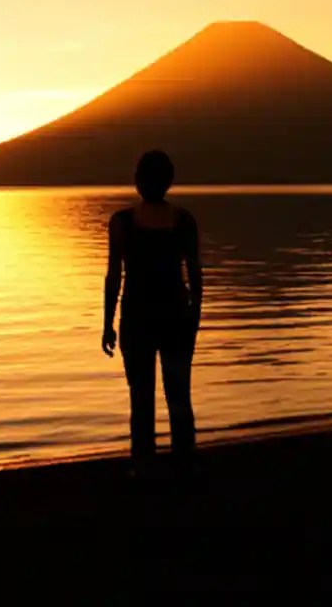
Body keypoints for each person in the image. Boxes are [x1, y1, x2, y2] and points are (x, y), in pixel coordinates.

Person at [102, 150, 202, 475]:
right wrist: (194, 318)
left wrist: (108, 324)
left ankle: (144, 467)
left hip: (138, 321)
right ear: (169, 182)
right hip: (175, 318)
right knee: (178, 397)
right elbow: (196, 276)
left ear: (138, 182)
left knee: (142, 399)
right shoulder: (184, 221)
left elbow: (114, 277)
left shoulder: (122, 223)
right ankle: (183, 466)